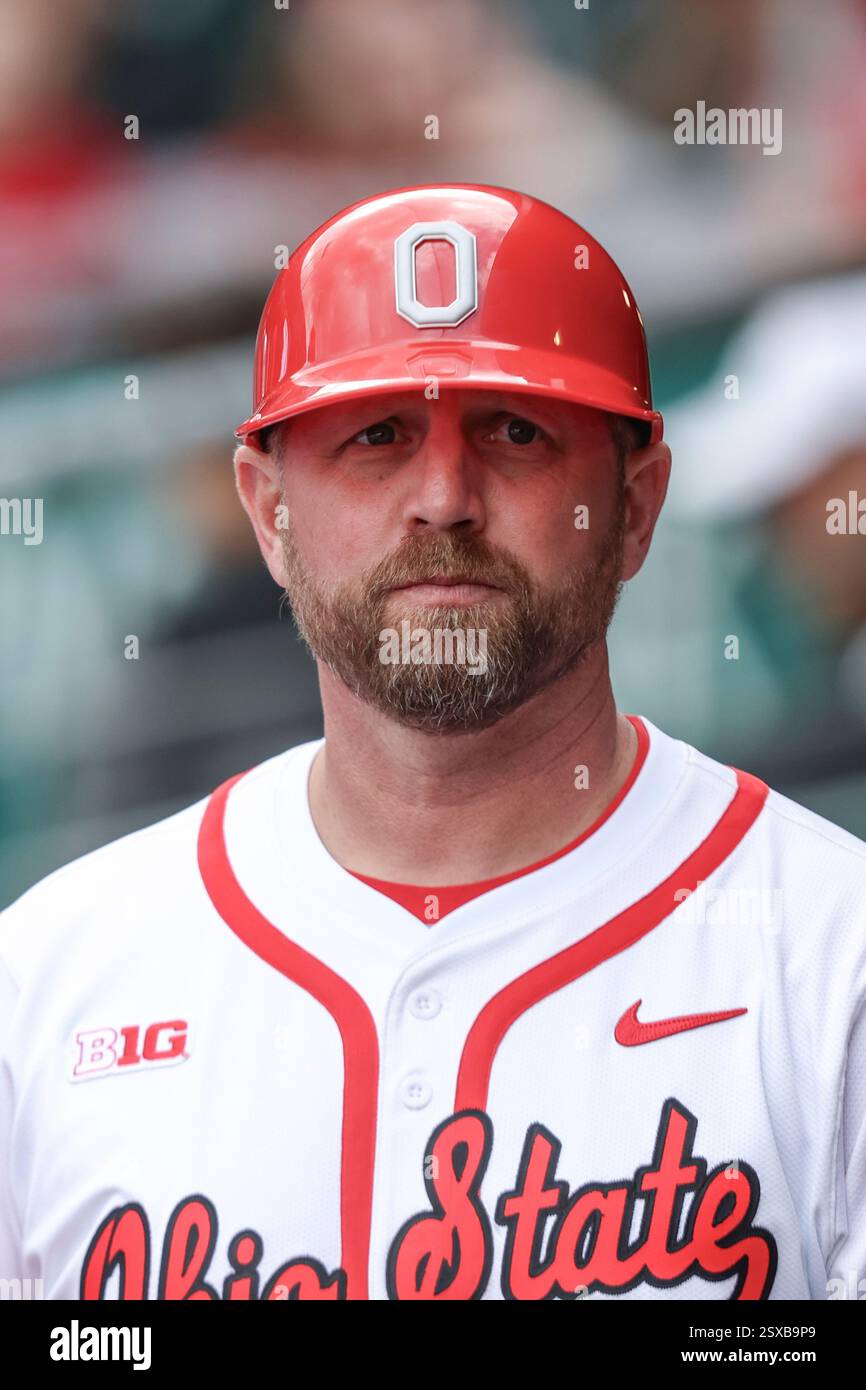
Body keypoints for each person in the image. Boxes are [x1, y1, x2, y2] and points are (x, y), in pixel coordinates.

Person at [1, 185, 863, 1301]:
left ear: (636, 503)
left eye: (514, 432)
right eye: (376, 436)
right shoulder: (49, 979)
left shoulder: (831, 951)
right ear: (267, 511)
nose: (444, 498)